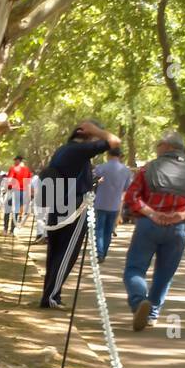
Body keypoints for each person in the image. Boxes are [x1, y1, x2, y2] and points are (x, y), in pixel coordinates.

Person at [121, 131, 185, 331]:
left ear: (168, 147)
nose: (156, 147)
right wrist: (183, 214)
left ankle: (139, 301)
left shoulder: (148, 169)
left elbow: (131, 197)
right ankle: (151, 314)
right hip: (178, 228)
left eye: (159, 143)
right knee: (165, 273)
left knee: (135, 268)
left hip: (148, 225)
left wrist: (151, 213)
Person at [37, 120, 121, 308]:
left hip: (59, 204)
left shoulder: (63, 150)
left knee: (56, 253)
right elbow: (114, 142)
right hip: (73, 207)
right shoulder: (79, 150)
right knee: (67, 253)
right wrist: (98, 130)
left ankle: (50, 294)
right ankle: (51, 297)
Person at [92, 147, 131, 262]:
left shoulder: (101, 168)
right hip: (115, 203)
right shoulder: (126, 170)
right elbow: (127, 187)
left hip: (101, 202)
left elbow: (92, 179)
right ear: (120, 156)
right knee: (109, 229)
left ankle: (100, 253)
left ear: (108, 155)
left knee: (99, 229)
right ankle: (104, 251)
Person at [4, 155, 32, 236]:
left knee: (7, 209)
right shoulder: (27, 170)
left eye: (15, 160)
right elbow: (28, 183)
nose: (14, 162)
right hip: (23, 192)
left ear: (18, 160)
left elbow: (9, 179)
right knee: (16, 211)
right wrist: (29, 194)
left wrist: (6, 189)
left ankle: (5, 229)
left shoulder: (13, 168)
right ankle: (12, 231)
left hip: (14, 191)